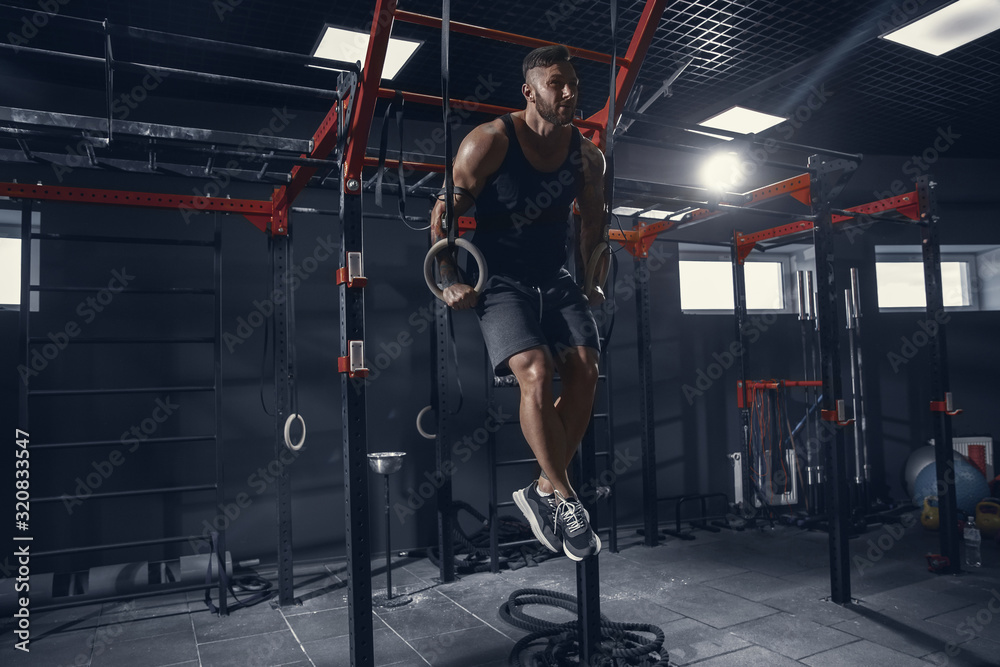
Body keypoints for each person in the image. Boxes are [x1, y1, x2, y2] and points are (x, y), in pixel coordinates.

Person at [429, 44, 608, 561]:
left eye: (573, 82)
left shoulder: (585, 155)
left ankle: (541, 490)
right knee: (534, 371)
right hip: (499, 278)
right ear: (530, 91)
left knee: (586, 369)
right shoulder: (488, 142)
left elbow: (592, 222)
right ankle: (567, 499)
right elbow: (445, 213)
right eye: (557, 83)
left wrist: (591, 276)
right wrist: (448, 276)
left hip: (553, 275)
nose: (570, 92)